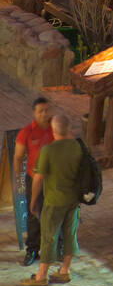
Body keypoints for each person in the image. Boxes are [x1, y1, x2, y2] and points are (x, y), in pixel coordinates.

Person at [18, 114, 81, 286]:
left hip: (54, 201)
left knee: (49, 237)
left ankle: (41, 276)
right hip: (73, 200)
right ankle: (64, 271)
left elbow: (38, 178)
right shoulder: (77, 147)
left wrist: (33, 201)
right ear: (69, 129)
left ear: (53, 131)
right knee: (69, 234)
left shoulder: (48, 150)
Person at [13, 97, 54, 265]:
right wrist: (18, 180)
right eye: (40, 111)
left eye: (47, 110)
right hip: (34, 179)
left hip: (55, 180)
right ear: (34, 113)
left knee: (54, 214)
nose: (44, 114)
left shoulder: (56, 128)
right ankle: (32, 250)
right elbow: (17, 158)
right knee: (33, 213)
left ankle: (53, 248)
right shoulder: (26, 133)